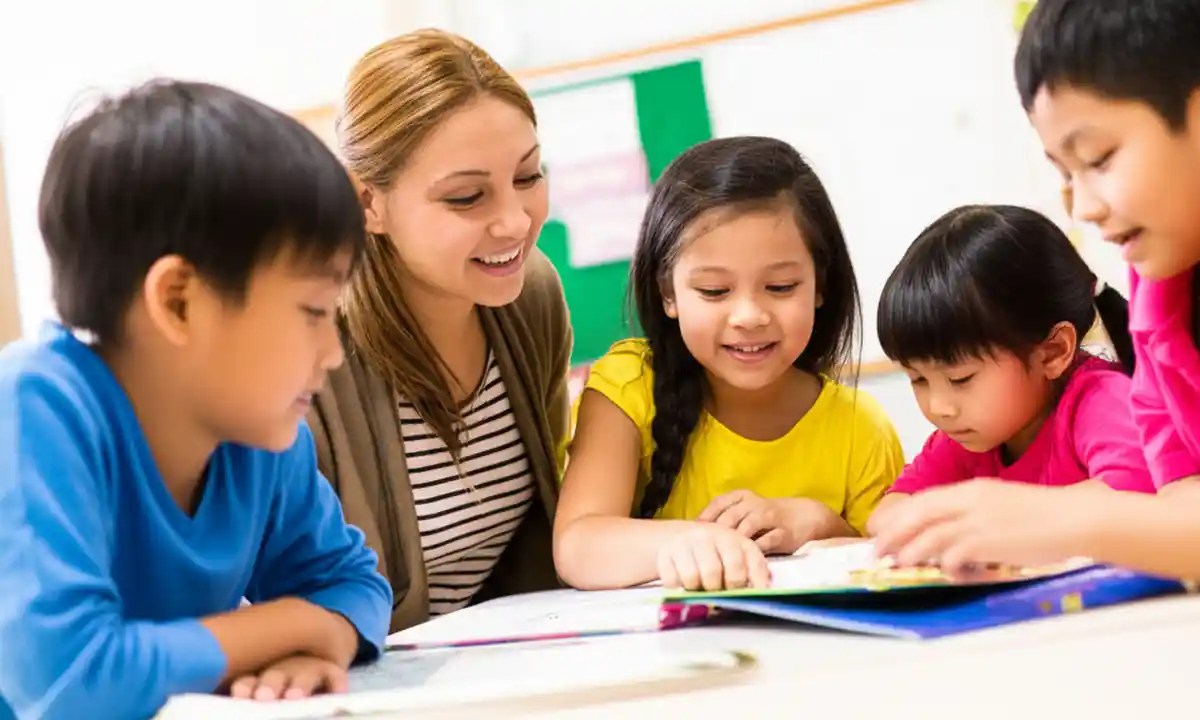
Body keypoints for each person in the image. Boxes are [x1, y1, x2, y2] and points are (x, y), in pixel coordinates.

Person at [0, 80, 392, 719]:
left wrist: (321, 644)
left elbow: (351, 585)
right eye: (314, 311)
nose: (334, 352)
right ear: (179, 301)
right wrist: (293, 625)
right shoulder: (35, 405)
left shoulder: (262, 432)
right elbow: (68, 680)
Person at [874, 0, 1200, 585]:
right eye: (1065, 174)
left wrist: (1079, 519)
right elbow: (1186, 499)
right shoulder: (1160, 288)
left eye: (1099, 160)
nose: (1084, 207)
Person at [554, 136, 904, 592]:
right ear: (667, 293)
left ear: (820, 285)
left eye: (780, 287)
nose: (749, 316)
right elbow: (577, 546)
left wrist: (818, 523)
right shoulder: (628, 387)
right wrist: (692, 542)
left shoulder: (861, 429)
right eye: (715, 292)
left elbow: (897, 565)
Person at [308, 29, 572, 631]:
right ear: (368, 203)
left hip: (507, 660)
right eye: (466, 197)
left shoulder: (532, 296)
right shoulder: (311, 351)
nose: (514, 222)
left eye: (529, 177)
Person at [866, 204, 1153, 535]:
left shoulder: (1099, 400)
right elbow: (886, 518)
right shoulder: (966, 436)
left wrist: (1001, 512)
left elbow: (1134, 495)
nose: (938, 407)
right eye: (917, 379)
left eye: (960, 378)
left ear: (1052, 352)